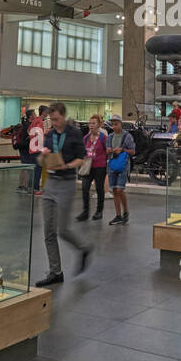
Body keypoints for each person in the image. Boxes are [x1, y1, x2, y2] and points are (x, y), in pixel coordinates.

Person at [35, 103, 90, 286]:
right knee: (48, 231)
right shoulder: (50, 135)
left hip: (66, 182)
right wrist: (43, 156)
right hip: (51, 182)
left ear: (64, 116)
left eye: (57, 119)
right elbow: (41, 160)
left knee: (63, 229)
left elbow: (81, 159)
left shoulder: (74, 133)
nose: (55, 123)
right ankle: (55, 271)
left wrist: (66, 165)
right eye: (52, 120)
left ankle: (83, 248)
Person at [105, 114, 135, 225]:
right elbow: (107, 150)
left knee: (119, 189)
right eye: (112, 124)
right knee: (114, 190)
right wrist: (111, 150)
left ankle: (126, 211)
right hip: (113, 165)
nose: (114, 126)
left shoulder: (127, 136)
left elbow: (133, 151)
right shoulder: (110, 136)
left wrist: (122, 150)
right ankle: (118, 215)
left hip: (123, 165)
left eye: (116, 124)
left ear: (121, 124)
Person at [79, 114, 108, 223]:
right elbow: (82, 151)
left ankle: (99, 211)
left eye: (93, 123)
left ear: (98, 125)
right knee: (85, 187)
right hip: (88, 166)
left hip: (100, 166)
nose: (91, 125)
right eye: (89, 123)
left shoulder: (103, 137)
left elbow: (107, 151)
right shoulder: (85, 138)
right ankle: (85, 211)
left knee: (99, 189)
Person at [28, 105, 48, 195]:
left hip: (32, 149)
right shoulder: (40, 121)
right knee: (38, 170)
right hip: (37, 149)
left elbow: (29, 131)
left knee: (33, 169)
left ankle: (31, 188)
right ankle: (35, 188)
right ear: (43, 112)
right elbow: (39, 136)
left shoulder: (34, 121)